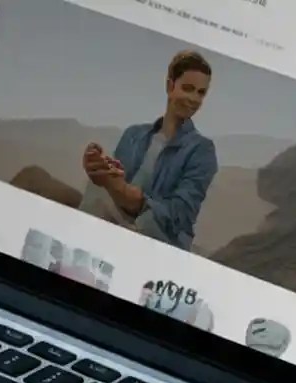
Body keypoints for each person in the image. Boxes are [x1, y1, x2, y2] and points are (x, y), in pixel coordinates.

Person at [79, 50, 220, 251]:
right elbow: (114, 181)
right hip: (120, 219)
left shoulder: (201, 150)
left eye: (201, 93)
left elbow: (181, 214)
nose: (194, 99)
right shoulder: (134, 134)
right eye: (188, 88)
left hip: (159, 234)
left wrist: (136, 200)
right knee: (96, 190)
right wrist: (99, 170)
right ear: (170, 86)